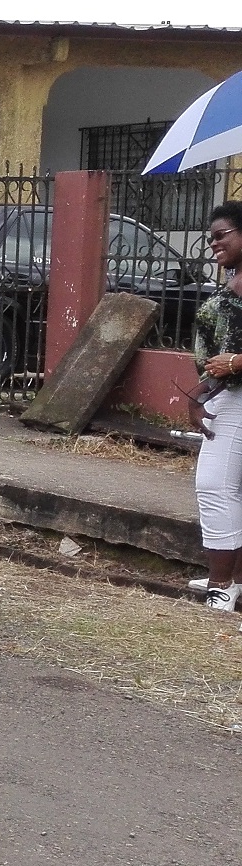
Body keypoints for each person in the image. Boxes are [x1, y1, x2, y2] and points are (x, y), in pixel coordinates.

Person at [191, 202, 242, 612]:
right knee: (225, 487)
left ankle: (221, 584)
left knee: (214, 484)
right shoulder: (228, 290)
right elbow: (214, 361)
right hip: (229, 397)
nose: (213, 244)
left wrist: (237, 362)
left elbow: (232, 359)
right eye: (210, 238)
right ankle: (231, 579)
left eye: (221, 234)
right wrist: (200, 393)